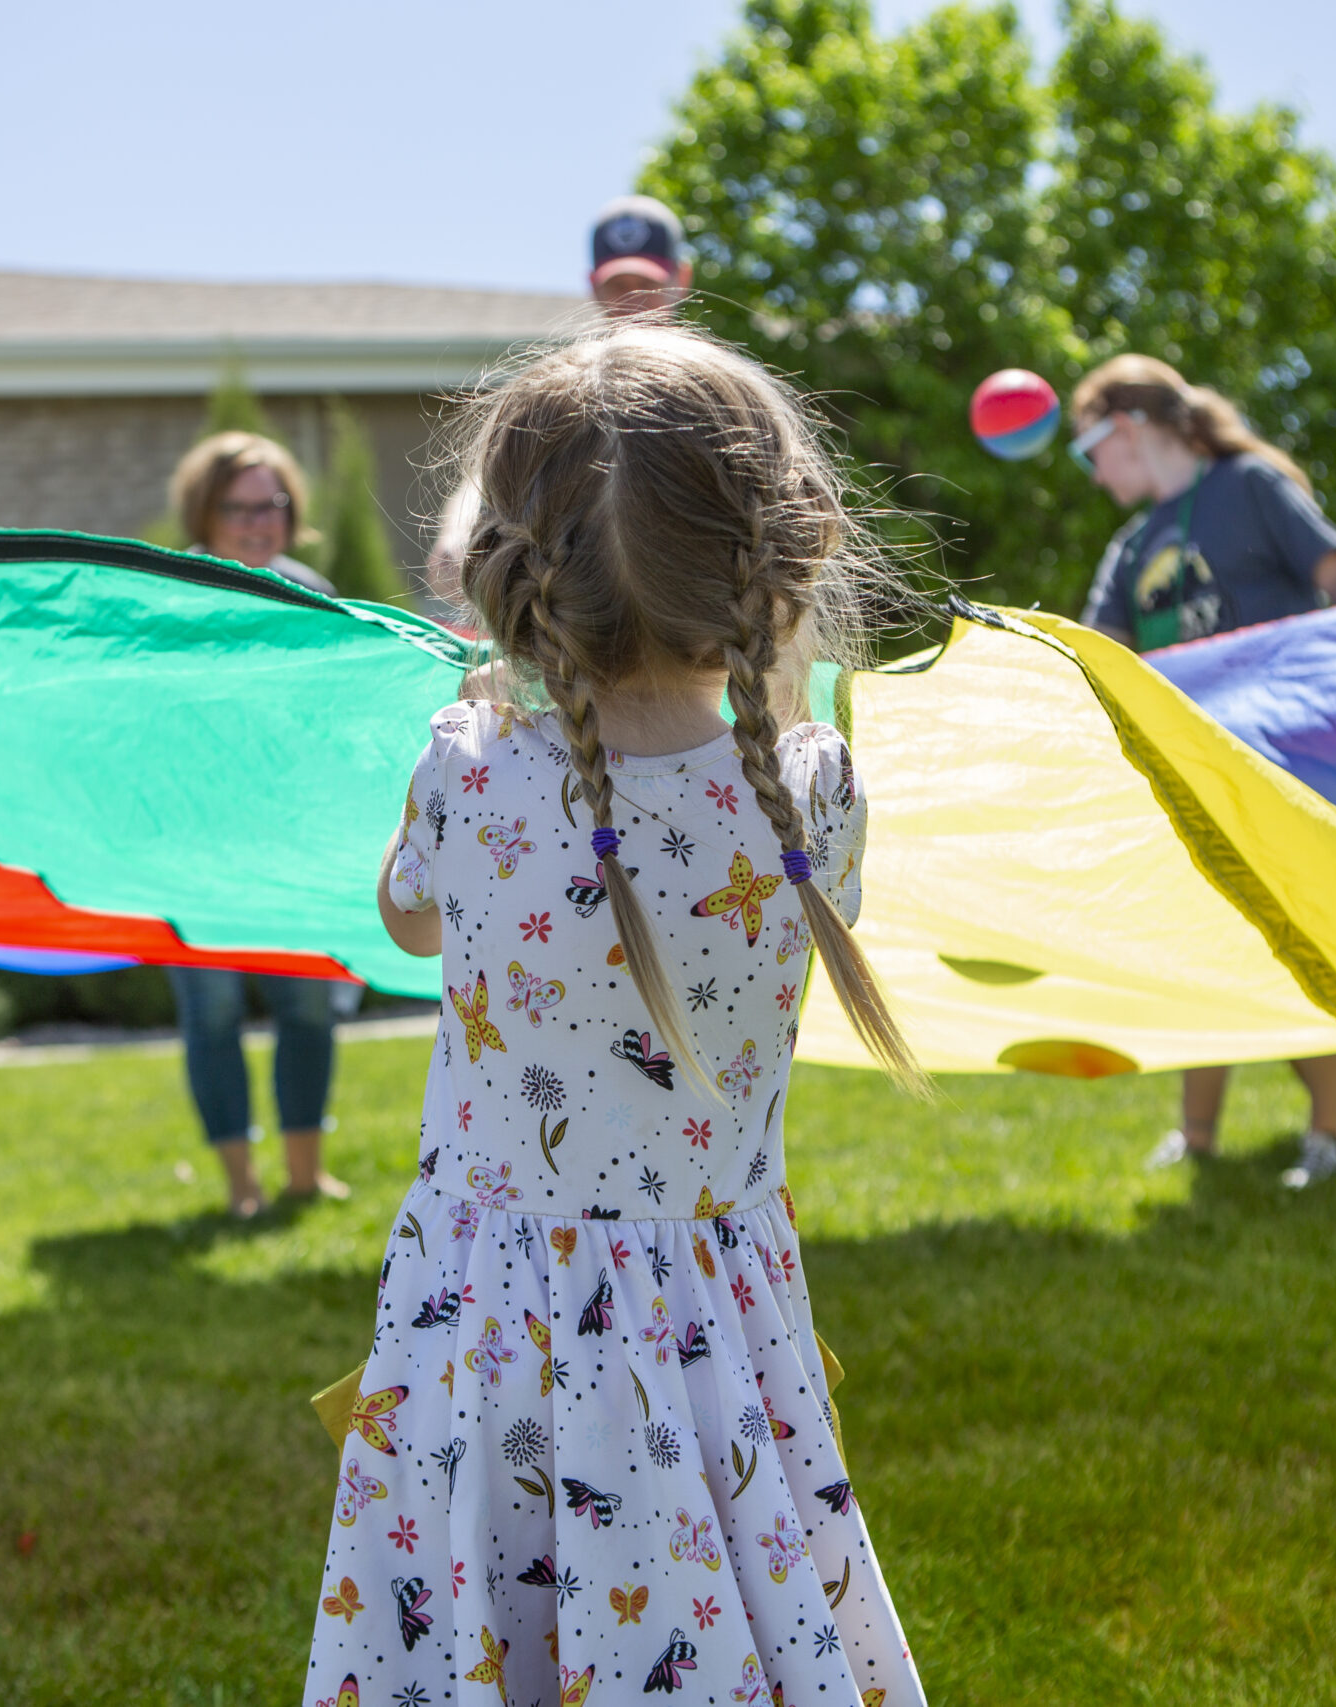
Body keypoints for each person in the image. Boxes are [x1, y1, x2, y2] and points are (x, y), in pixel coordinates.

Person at [303, 321, 928, 1705]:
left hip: (498, 1313)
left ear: (512, 573)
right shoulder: (811, 788)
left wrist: (487, 711)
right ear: (778, 556)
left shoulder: (471, 772)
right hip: (720, 1313)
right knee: (736, 1587)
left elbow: (408, 918)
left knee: (493, 1605)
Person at [1071, 354, 1336, 1187]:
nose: (1092, 473)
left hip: (1283, 760)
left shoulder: (1249, 486)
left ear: (1128, 428)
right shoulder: (1133, 543)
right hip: (1190, 774)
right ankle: (1198, 1137)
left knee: (1293, 946)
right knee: (1203, 946)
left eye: (1088, 449)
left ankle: (1331, 1132)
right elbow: (1100, 652)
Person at [164, 432, 359, 1216]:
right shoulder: (174, 592)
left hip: (290, 842)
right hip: (200, 843)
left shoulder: (309, 592)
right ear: (205, 513)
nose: (258, 523)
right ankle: (242, 1185)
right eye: (239, 508)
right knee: (210, 1014)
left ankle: (305, 1174)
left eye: (272, 505)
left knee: (308, 1005)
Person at [422, 196, 698, 613]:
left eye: (649, 285)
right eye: (618, 286)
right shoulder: (575, 382)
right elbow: (492, 466)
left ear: (682, 278)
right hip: (597, 604)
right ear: (593, 286)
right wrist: (456, 532)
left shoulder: (715, 385)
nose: (633, 301)